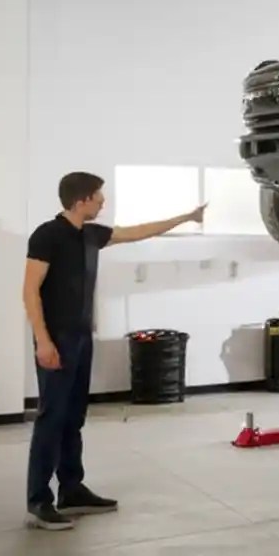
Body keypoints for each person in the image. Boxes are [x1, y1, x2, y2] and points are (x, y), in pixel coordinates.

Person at [22, 171, 205, 530]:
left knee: (73, 417)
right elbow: (30, 291)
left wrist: (186, 217)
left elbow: (138, 231)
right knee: (51, 418)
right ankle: (39, 500)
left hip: (80, 337)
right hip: (56, 338)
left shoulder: (91, 235)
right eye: (98, 197)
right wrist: (43, 341)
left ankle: (71, 489)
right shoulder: (47, 235)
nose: (103, 202)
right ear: (81, 200)